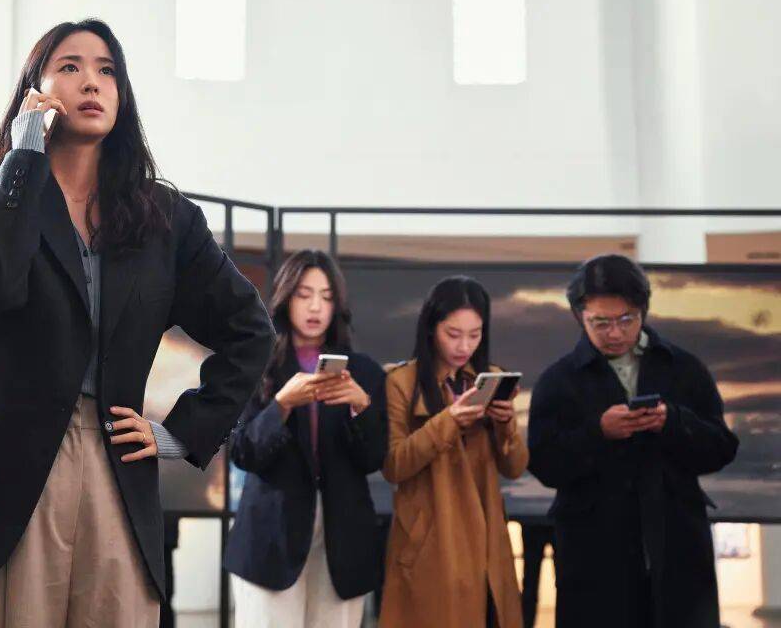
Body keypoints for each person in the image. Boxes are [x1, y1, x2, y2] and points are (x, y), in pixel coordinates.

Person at [0, 18, 274, 627]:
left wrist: (181, 432)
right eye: (69, 67)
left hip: (115, 461)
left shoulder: (165, 217)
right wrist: (24, 157)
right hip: (0, 469)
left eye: (107, 70)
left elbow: (251, 331)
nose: (91, 81)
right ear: (35, 92)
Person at [527, 254, 738, 628]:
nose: (615, 332)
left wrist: (673, 421)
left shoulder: (682, 366)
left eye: (626, 319)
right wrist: (598, 432)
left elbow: (722, 447)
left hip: (675, 541)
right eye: (600, 322)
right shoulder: (559, 379)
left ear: (643, 311)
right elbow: (544, 464)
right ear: (579, 316)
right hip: (595, 550)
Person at [226, 250, 387, 628]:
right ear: (286, 297)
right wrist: (282, 404)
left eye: (326, 297)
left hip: (342, 540)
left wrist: (361, 406)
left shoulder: (363, 372)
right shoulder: (255, 363)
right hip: (270, 539)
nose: (316, 306)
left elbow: (374, 458)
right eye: (304, 294)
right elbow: (243, 451)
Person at [381, 276, 527, 628]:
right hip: (431, 540)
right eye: (453, 334)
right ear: (431, 328)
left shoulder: (491, 378)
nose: (464, 346)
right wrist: (448, 421)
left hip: (487, 533)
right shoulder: (400, 382)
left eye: (475, 335)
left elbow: (515, 467)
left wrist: (506, 423)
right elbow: (393, 465)